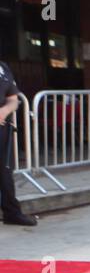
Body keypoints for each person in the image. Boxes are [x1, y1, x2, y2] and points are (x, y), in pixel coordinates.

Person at [0, 59, 37, 227]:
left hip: (2, 127)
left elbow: (13, 98)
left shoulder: (3, 67)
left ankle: (12, 212)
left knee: (5, 172)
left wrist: (5, 110)